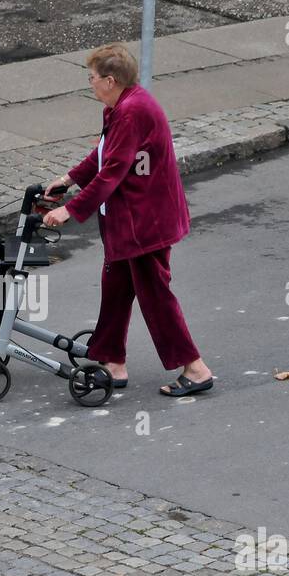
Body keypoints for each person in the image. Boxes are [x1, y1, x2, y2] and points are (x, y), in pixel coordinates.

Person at [40, 43, 214, 396]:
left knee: (154, 295)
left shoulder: (131, 112)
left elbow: (112, 173)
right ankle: (111, 360)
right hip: (132, 221)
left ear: (110, 79)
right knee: (117, 288)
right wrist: (69, 179)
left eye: (91, 78)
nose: (89, 84)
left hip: (144, 224)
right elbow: (104, 155)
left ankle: (195, 369)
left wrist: (69, 210)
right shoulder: (120, 106)